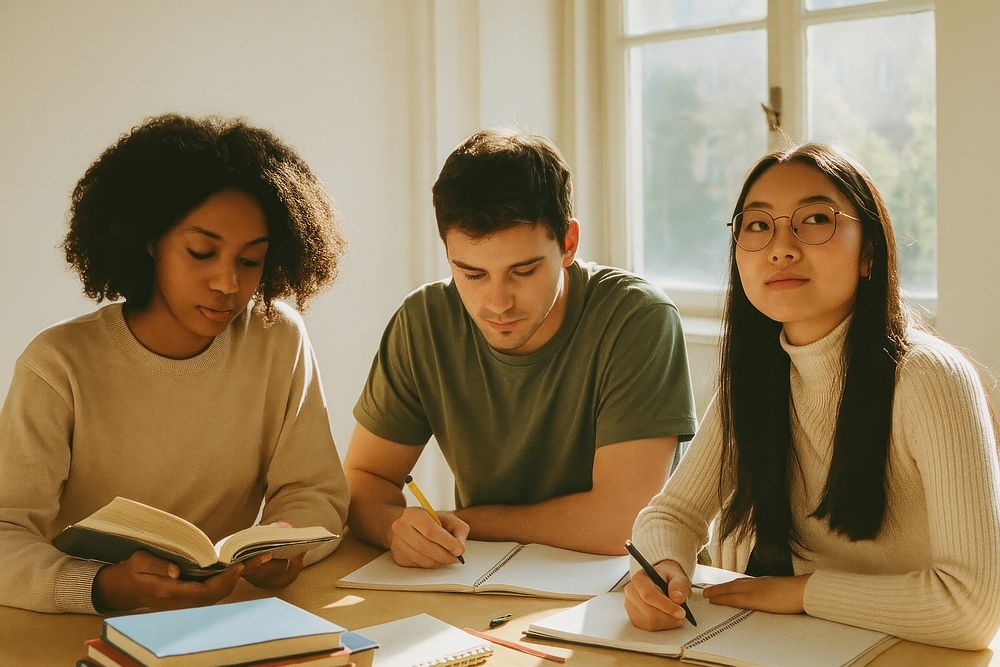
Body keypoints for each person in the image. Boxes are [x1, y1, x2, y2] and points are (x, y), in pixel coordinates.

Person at [625, 143, 1000, 649]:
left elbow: (973, 608)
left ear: (869, 253)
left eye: (816, 219)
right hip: (787, 647)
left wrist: (802, 593)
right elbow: (672, 515)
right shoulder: (756, 374)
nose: (782, 247)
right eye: (758, 225)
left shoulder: (929, 377)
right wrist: (661, 571)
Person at [0, 113, 350, 614]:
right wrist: (102, 585)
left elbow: (313, 490)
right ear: (149, 242)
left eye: (249, 261)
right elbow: (5, 531)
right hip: (86, 628)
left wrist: (286, 547)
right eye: (202, 252)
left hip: (227, 617)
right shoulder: (58, 364)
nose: (228, 284)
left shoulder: (278, 338)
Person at [344, 128, 697, 568]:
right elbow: (363, 480)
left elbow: (622, 524)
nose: (497, 303)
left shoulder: (637, 318)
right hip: (478, 580)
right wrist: (393, 527)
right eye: (472, 274)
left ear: (568, 244)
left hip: (630, 586)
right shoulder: (424, 322)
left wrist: (463, 522)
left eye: (523, 271)